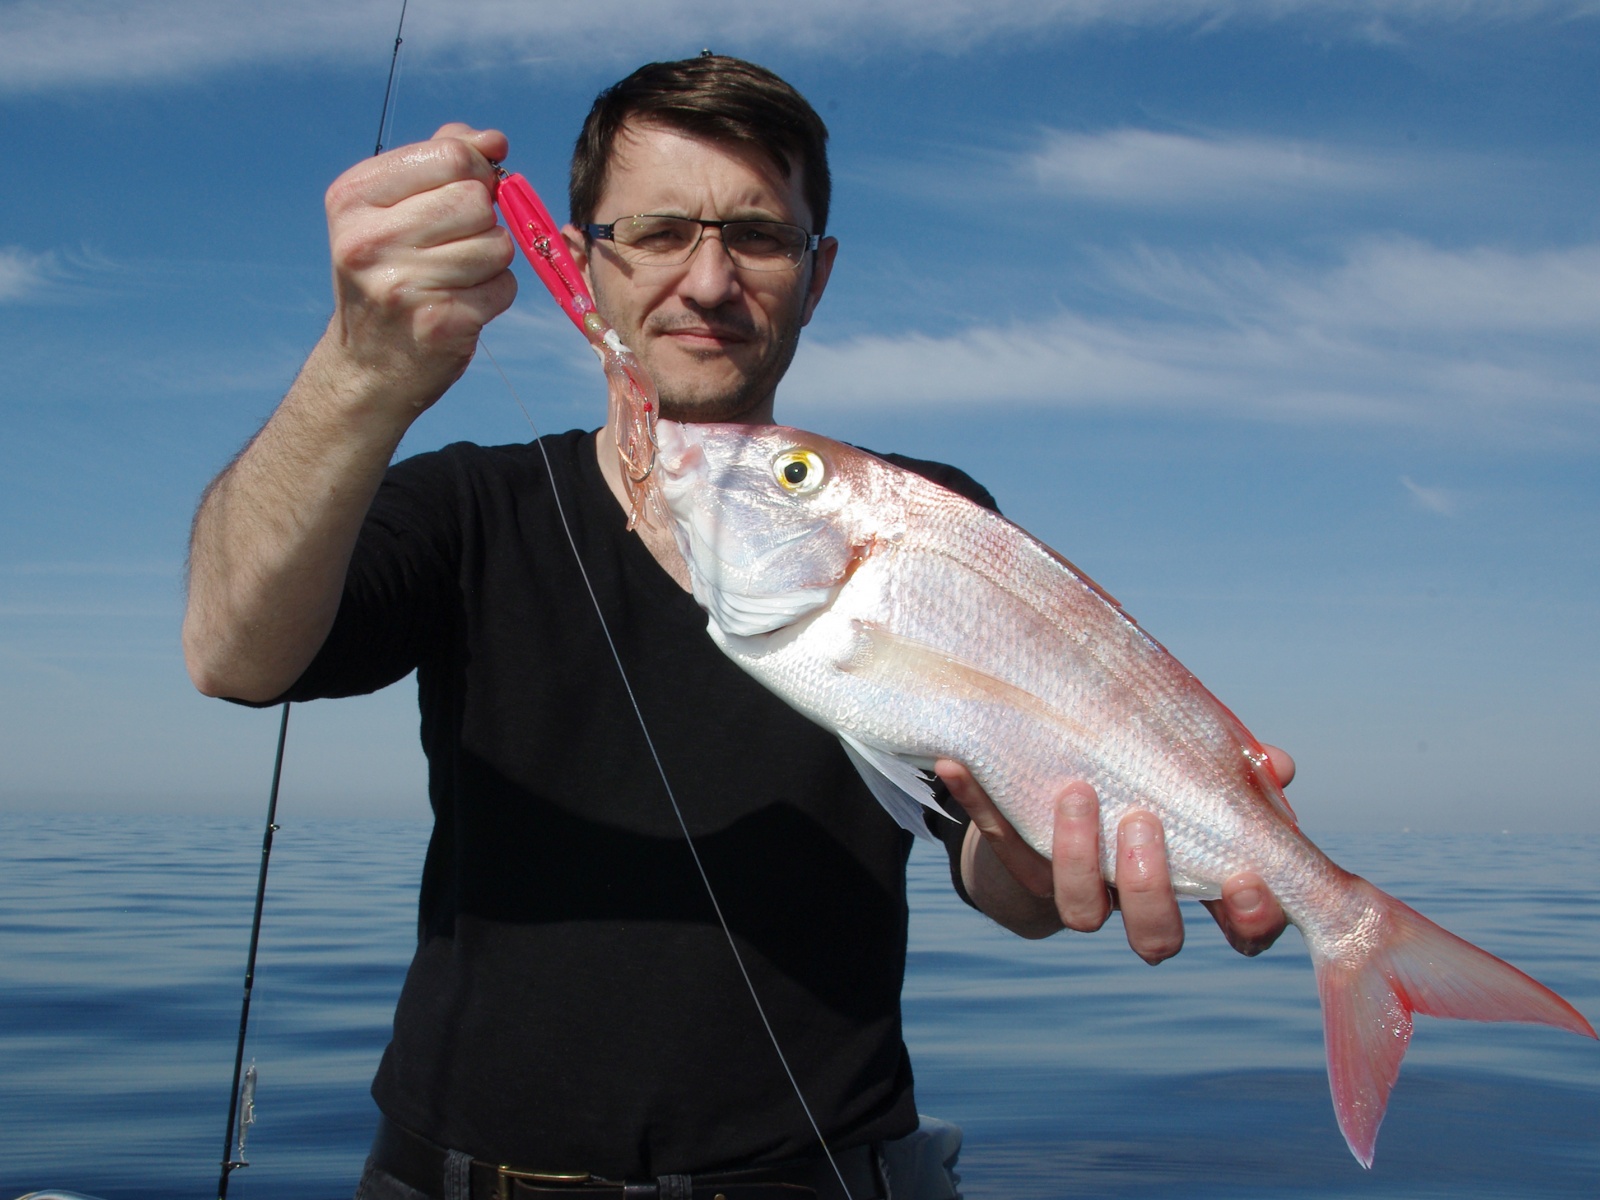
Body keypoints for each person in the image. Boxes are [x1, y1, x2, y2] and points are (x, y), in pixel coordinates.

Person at [183, 55, 1290, 1200]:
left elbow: (985, 853)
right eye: (657, 230)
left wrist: (1060, 874)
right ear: (577, 257)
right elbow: (232, 652)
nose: (707, 280)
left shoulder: (920, 521)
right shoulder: (470, 506)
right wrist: (360, 373)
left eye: (759, 238)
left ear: (817, 276)